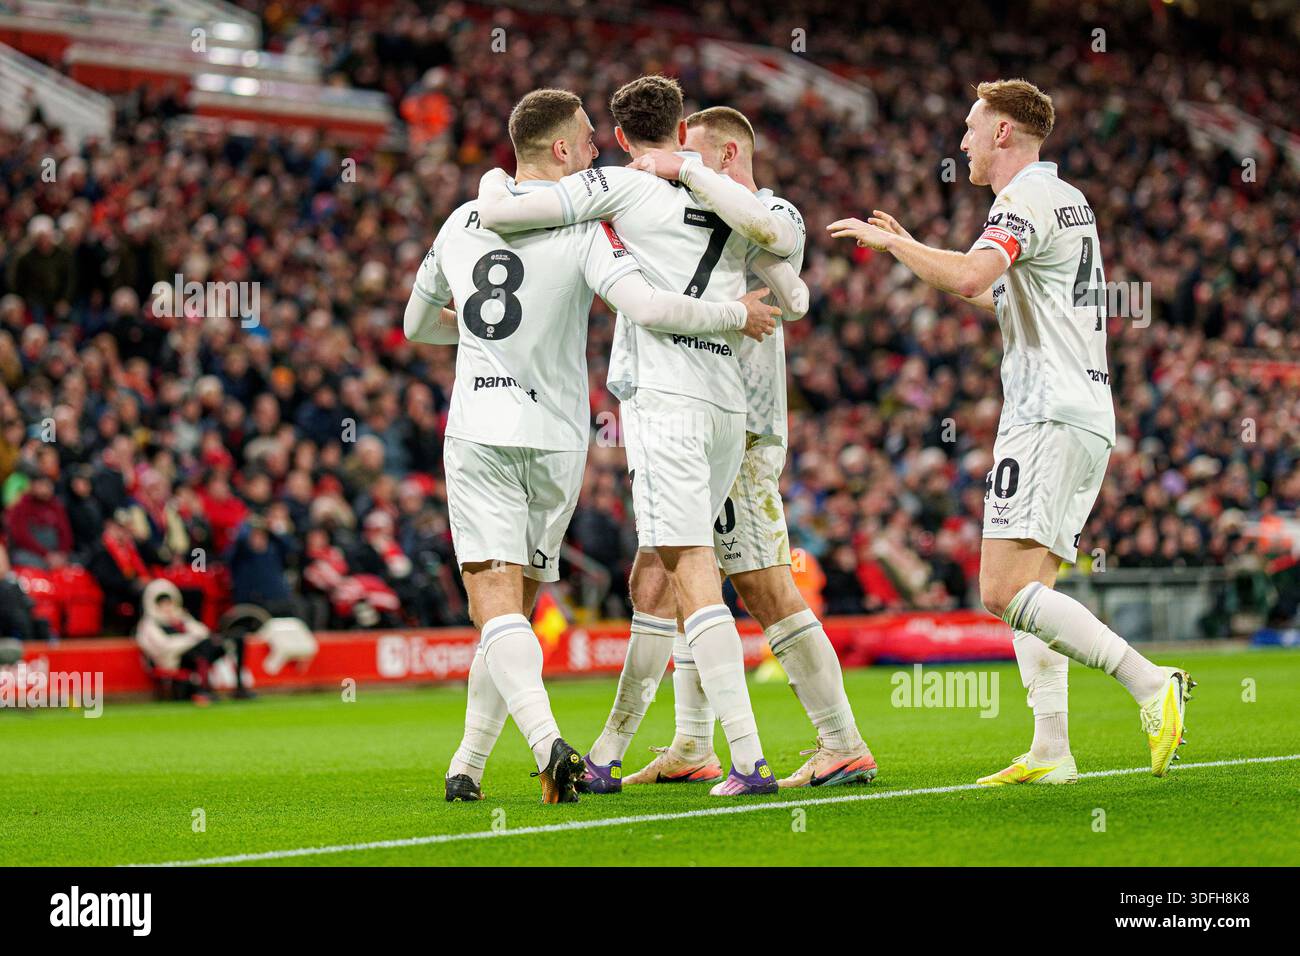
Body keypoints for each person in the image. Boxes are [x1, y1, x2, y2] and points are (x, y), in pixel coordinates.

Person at [409, 87, 779, 804]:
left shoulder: (460, 221)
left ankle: (547, 744)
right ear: (559, 150)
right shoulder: (589, 227)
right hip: (555, 440)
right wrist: (734, 312)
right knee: (514, 603)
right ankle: (469, 763)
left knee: (494, 606)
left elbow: (415, 323)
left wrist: (478, 335)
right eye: (584, 139)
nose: (594, 149)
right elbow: (643, 306)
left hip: (479, 429)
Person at [828, 78, 1191, 782]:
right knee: (1036, 589)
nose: (960, 140)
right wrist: (919, 248)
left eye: (970, 127)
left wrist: (893, 247)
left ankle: (1151, 683)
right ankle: (1053, 749)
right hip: (1083, 412)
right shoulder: (1068, 198)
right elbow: (995, 290)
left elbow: (970, 279)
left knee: (1000, 591)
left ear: (1003, 133)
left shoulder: (1021, 199)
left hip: (1046, 414)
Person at [613, 106, 877, 789]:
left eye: (693, 158)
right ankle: (691, 743)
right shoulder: (705, 218)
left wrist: (687, 172)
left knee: (762, 582)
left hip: (746, 430)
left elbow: (795, 289)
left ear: (726, 157)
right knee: (672, 571)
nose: (678, 169)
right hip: (689, 415)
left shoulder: (764, 209)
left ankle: (841, 741)